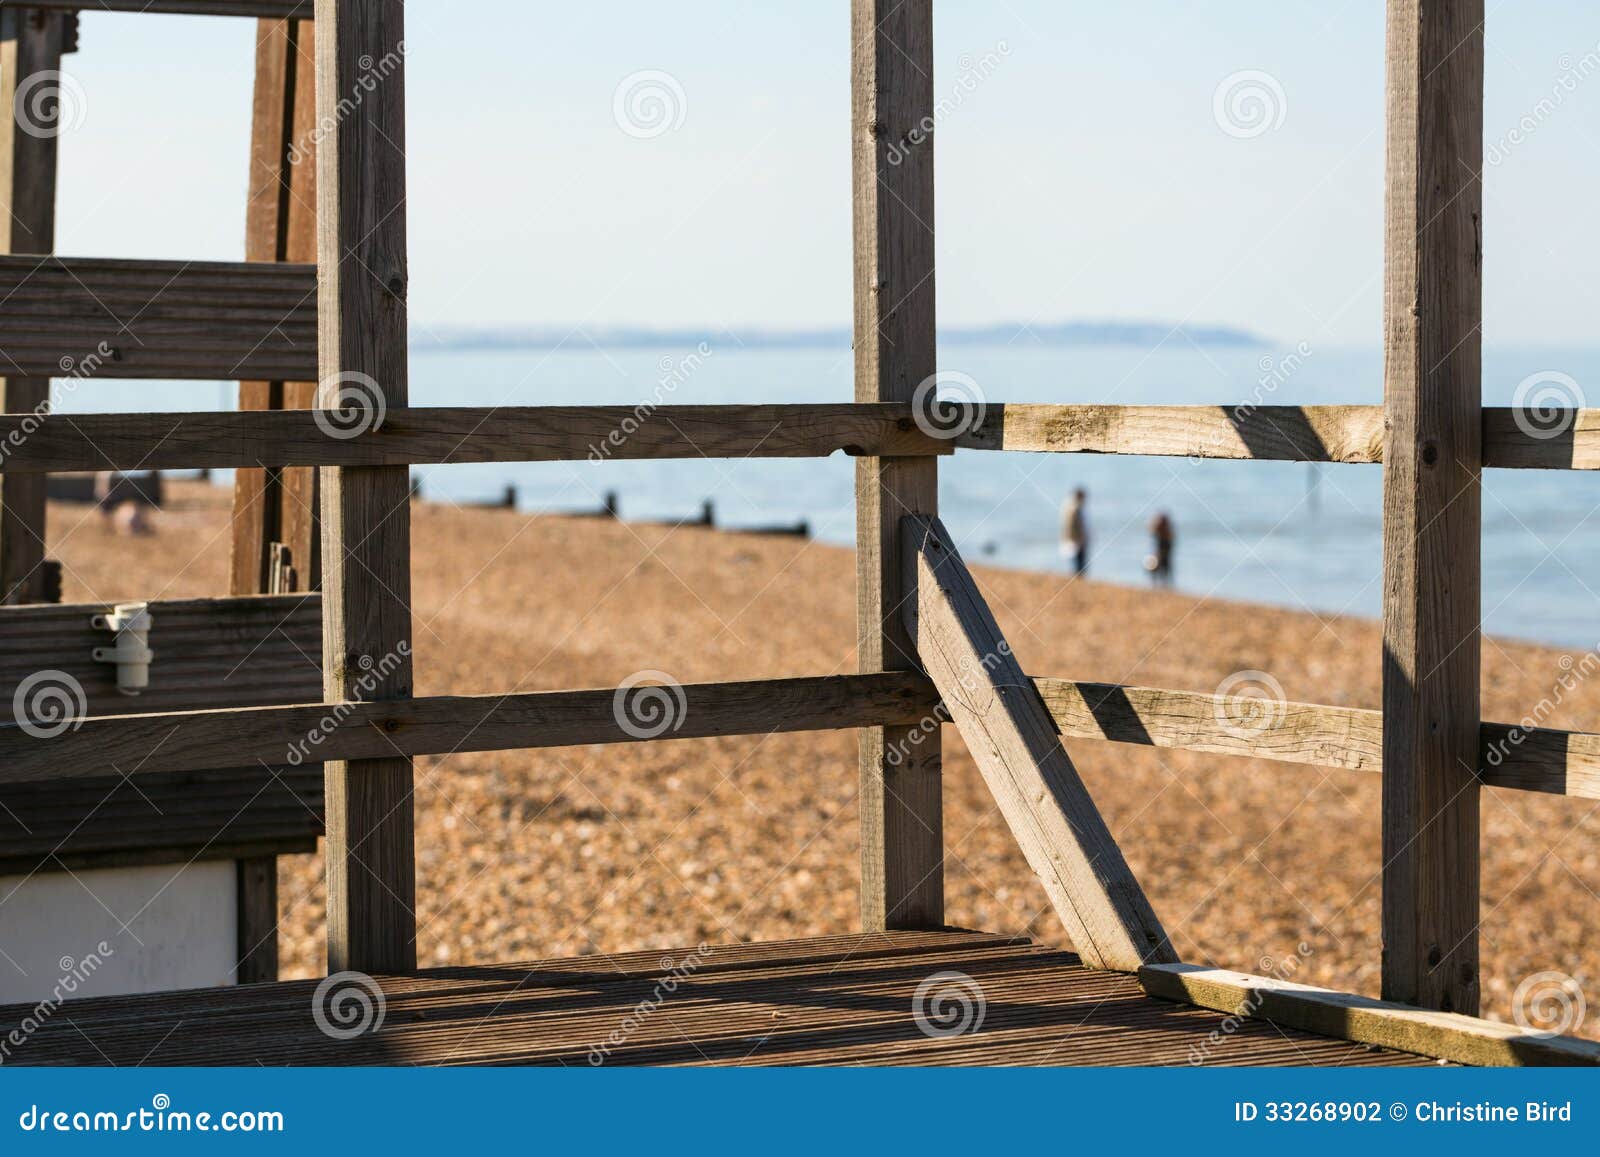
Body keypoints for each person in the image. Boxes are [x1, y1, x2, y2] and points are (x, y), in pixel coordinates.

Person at [1060, 487, 1088, 576]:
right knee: (1078, 565)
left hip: (1076, 540)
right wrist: (1078, 539)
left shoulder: (1073, 507)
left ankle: (1078, 578)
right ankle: (1077, 579)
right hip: (1075, 541)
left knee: (1079, 564)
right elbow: (1071, 526)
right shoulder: (1074, 509)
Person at [1146, 512, 1175, 587]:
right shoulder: (1159, 531)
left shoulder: (1168, 533)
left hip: (1165, 555)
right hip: (1159, 554)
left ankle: (1165, 584)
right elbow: (1150, 529)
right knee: (1156, 568)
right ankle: (1157, 584)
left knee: (1165, 568)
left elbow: (1170, 545)